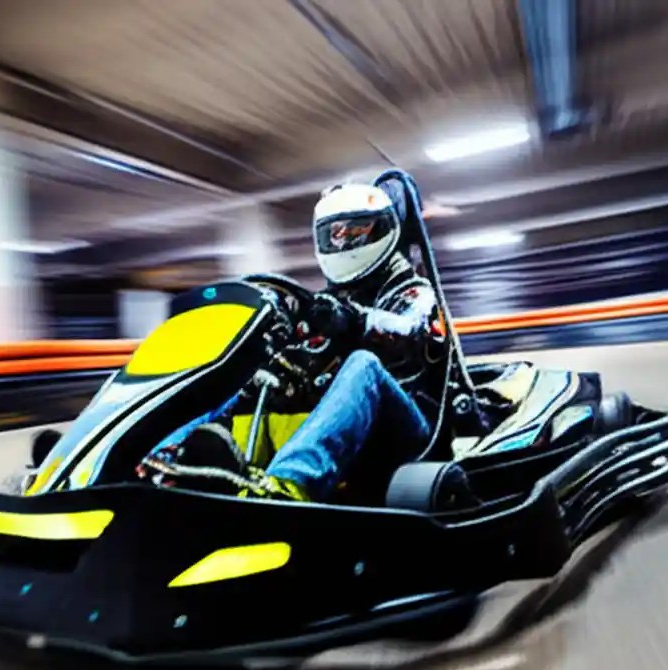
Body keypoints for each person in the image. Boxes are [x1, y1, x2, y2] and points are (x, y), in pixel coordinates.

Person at [141, 170, 448, 503]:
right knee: (246, 374)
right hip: (354, 425)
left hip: (407, 426)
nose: (343, 240)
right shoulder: (328, 304)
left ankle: (289, 485)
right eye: (335, 233)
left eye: (355, 231)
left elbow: (409, 332)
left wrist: (352, 320)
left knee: (364, 365)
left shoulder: (415, 294)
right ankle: (165, 459)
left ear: (383, 229)